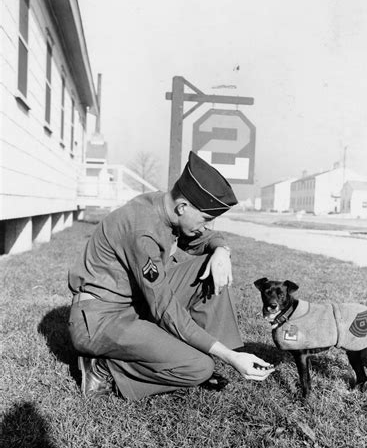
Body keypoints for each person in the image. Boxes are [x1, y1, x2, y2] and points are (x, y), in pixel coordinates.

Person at [68, 151, 274, 399]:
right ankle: (103, 367)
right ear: (182, 207)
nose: (206, 226)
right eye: (206, 218)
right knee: (199, 368)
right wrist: (229, 358)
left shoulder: (163, 205)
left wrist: (221, 251)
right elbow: (165, 309)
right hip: (100, 320)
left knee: (206, 268)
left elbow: (202, 238)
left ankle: (204, 350)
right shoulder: (142, 230)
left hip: (129, 303)